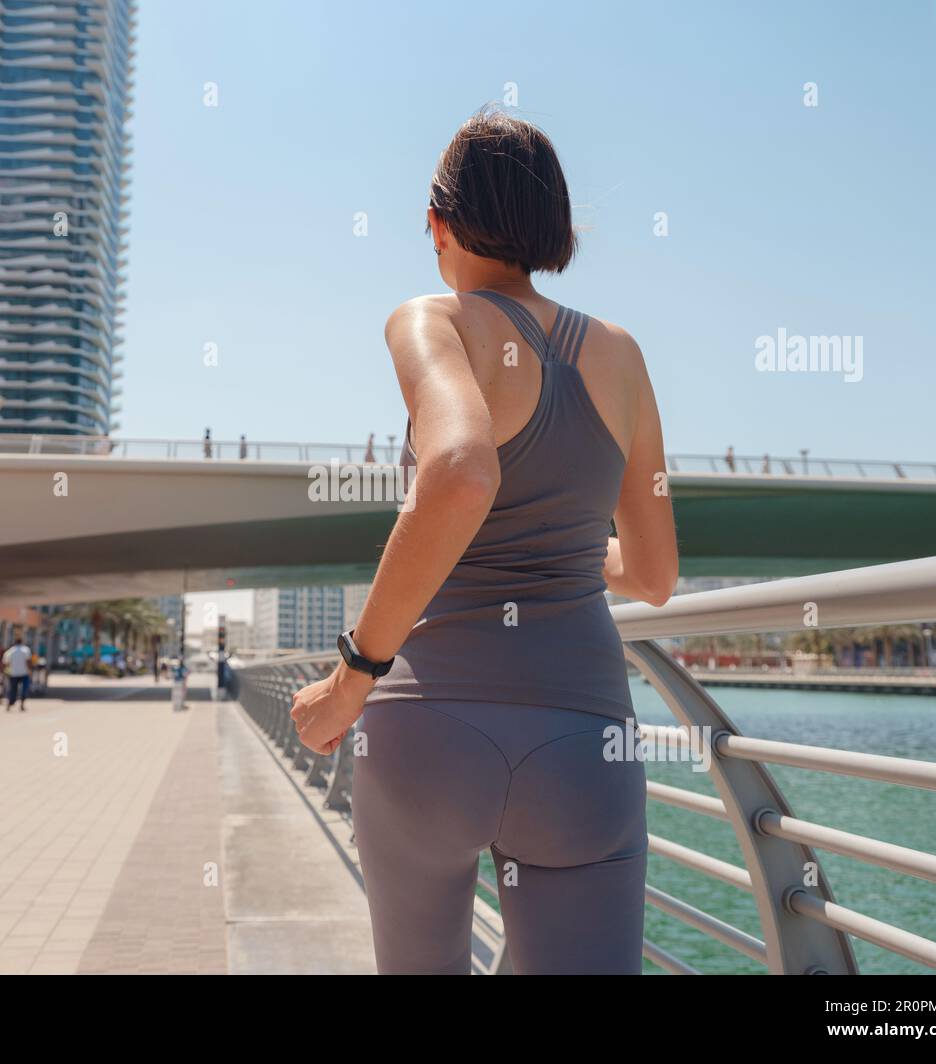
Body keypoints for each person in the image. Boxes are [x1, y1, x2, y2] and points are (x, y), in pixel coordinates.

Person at [289, 110, 678, 975]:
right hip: (585, 740)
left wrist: (351, 679)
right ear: (554, 228)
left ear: (436, 221)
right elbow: (654, 575)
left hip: (427, 734)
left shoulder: (432, 320)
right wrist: (577, 553)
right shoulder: (621, 355)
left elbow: (461, 474)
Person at [2, 634, 32, 711]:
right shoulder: (26, 650)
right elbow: (28, 661)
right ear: (21, 642)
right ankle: (22, 704)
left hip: (13, 673)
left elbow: (5, 663)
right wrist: (30, 670)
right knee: (24, 689)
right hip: (24, 673)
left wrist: (4, 671)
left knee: (12, 689)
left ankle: (10, 703)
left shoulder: (10, 651)